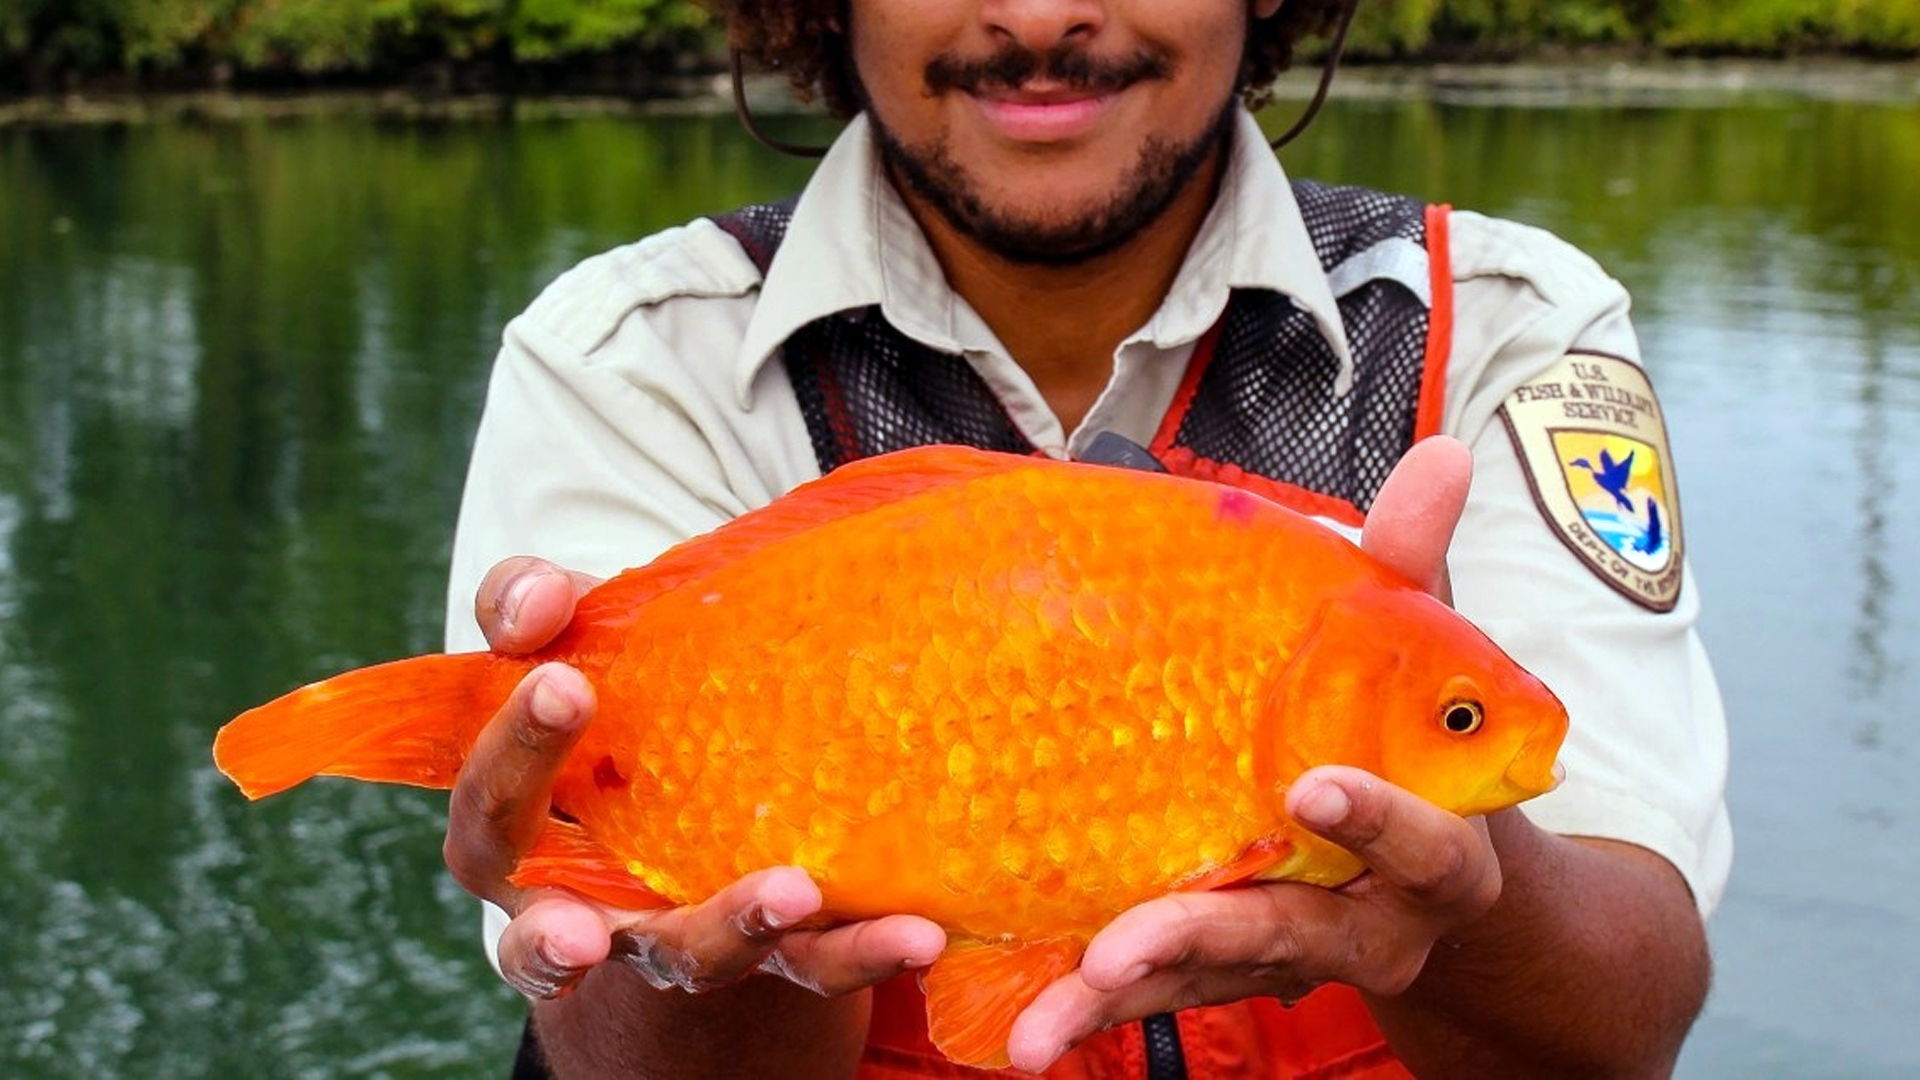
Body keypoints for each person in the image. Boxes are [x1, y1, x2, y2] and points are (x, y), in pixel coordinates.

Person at [439, 0, 1732, 1076]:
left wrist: (1451, 875)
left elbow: (1626, 1023)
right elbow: (607, 1048)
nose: (1042, 14)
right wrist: (698, 943)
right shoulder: (631, 358)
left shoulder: (1504, 327)